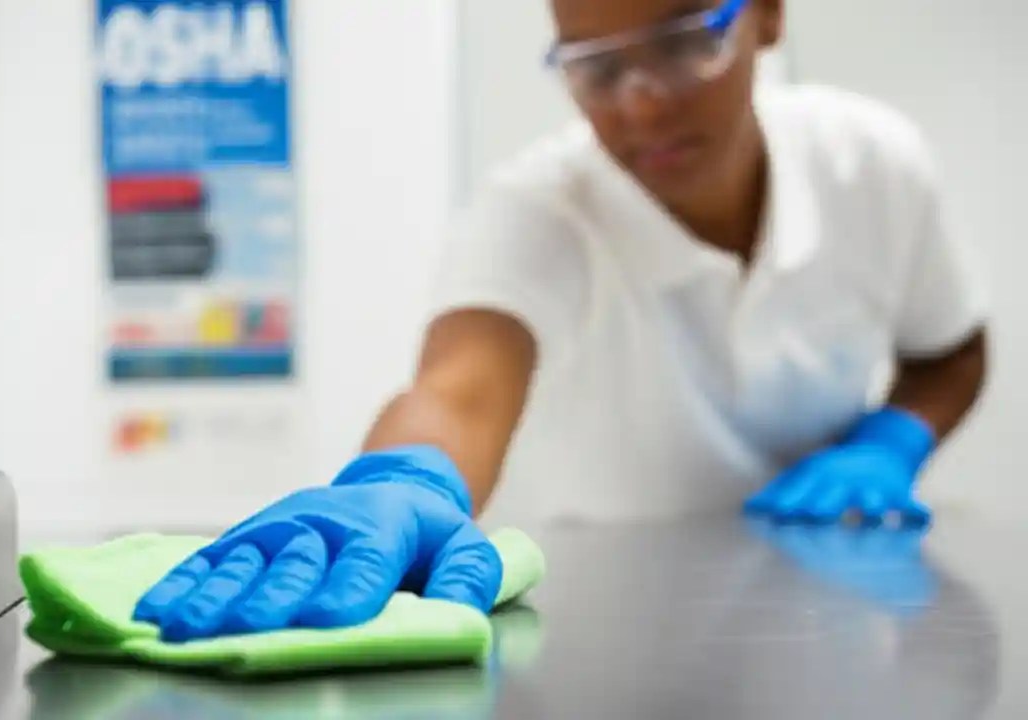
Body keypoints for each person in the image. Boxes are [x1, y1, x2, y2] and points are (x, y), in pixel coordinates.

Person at [133, 0, 989, 643]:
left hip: (835, 604)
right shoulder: (537, 212)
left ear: (767, 15)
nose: (643, 106)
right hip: (607, 622)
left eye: (687, 42)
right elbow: (459, 388)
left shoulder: (870, 161)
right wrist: (401, 481)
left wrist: (890, 443)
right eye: (597, 68)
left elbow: (952, 351)